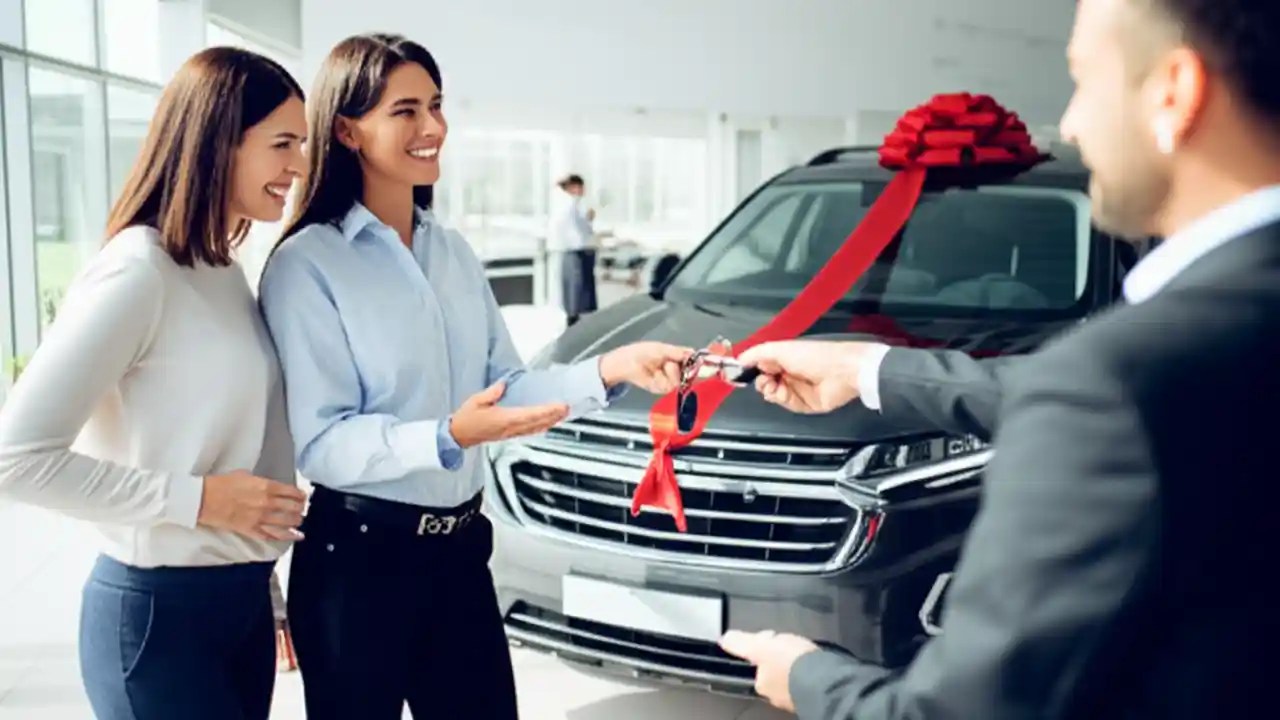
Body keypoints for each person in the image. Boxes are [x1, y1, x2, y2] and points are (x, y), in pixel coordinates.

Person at [719, 0, 1280, 718]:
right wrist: (869, 370)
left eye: (1083, 78)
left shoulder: (1113, 380)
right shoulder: (1167, 367)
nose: (1071, 123)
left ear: (1174, 91)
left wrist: (808, 677)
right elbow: (1153, 410)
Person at [257, 33, 691, 720]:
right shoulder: (307, 266)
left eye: (436, 105)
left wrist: (615, 368)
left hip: (459, 558)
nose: (434, 128)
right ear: (347, 128)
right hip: (358, 565)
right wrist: (449, 434)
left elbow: (505, 388)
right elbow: (322, 443)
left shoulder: (452, 252)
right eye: (405, 110)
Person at [0, 48, 308, 720]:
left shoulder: (220, 268)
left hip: (241, 605)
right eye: (282, 143)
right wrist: (198, 502)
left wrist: (266, 584)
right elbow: (15, 461)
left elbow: (226, 444)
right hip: (157, 622)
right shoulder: (138, 272)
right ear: (216, 140)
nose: (298, 166)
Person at [549, 173, 600, 325]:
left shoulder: (562, 203)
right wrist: (589, 219)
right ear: (574, 187)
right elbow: (580, 229)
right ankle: (576, 320)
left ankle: (573, 317)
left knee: (572, 290)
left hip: (569, 250)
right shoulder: (572, 204)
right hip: (577, 251)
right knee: (578, 290)